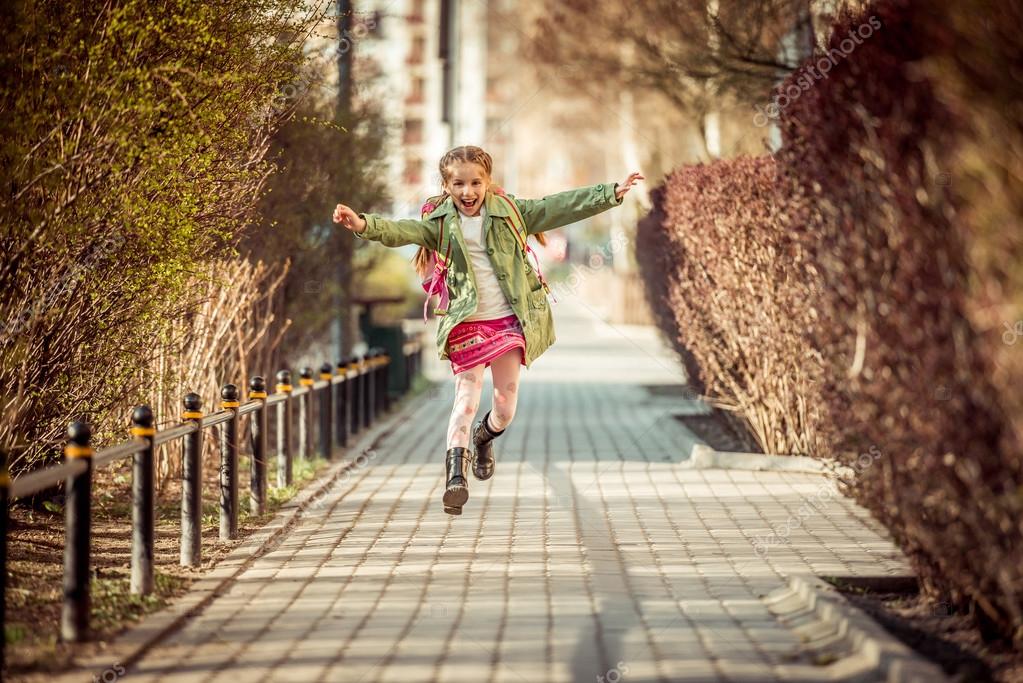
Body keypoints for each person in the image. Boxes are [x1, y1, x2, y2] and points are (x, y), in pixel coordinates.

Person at [333, 145, 642, 515]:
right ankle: (455, 479)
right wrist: (364, 224)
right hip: (466, 323)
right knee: (465, 400)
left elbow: (558, 206)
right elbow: (401, 230)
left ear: (487, 181)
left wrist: (609, 193)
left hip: (509, 321)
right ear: (447, 186)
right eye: (459, 184)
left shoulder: (511, 212)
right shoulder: (439, 223)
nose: (468, 192)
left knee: (505, 408)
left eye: (475, 182)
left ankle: (484, 438)